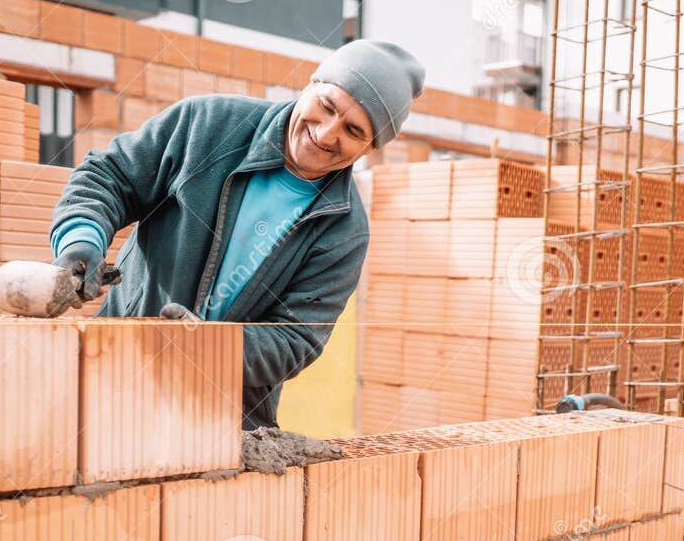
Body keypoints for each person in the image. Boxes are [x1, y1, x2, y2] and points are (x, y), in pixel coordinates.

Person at [48, 39, 425, 428]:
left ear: (369, 148)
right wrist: (82, 237)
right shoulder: (208, 125)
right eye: (327, 106)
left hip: (223, 420)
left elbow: (297, 338)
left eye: (352, 130)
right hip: (116, 372)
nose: (327, 134)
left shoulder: (344, 231)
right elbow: (111, 176)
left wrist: (210, 350)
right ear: (310, 85)